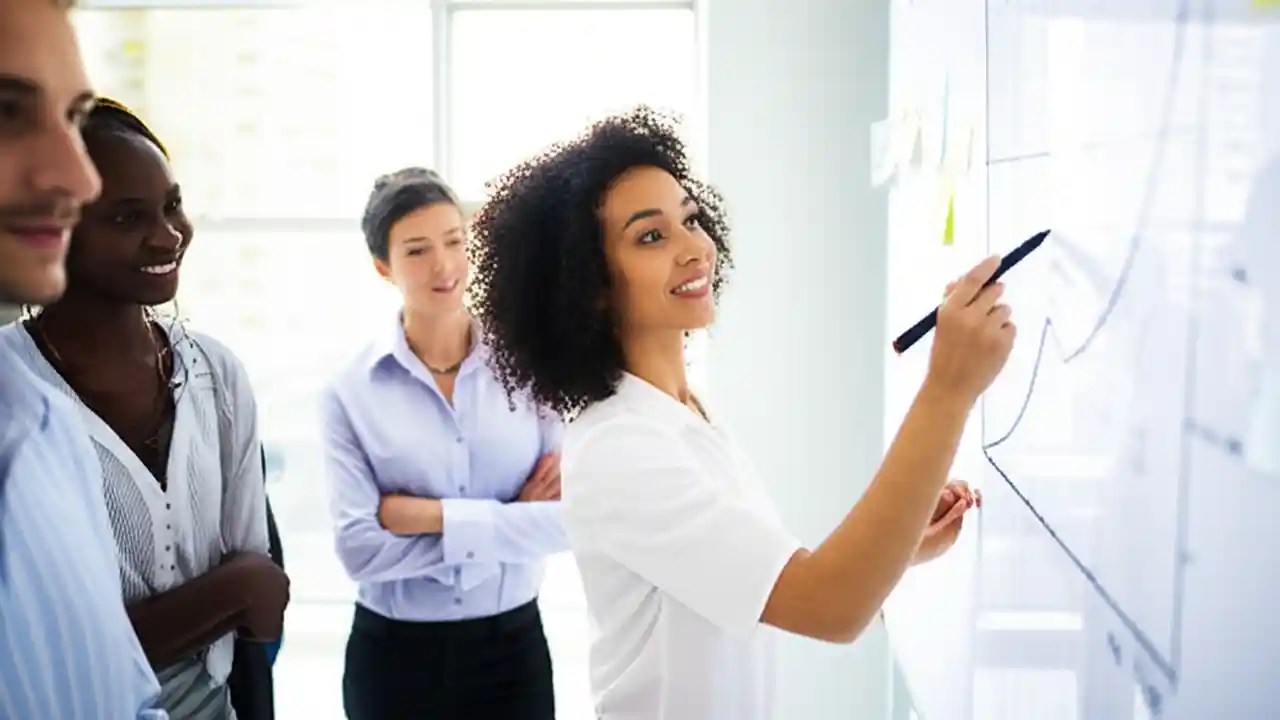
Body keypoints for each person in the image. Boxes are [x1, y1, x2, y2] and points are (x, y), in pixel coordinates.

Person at [470, 106, 1012, 720]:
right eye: (652, 236)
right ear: (588, 286)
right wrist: (948, 389)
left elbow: (773, 581)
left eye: (690, 220)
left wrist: (902, 543)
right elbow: (831, 605)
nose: (693, 248)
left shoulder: (684, 412)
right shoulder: (621, 447)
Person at [0, 98, 289, 720]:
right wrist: (231, 588)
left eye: (173, 205)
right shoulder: (10, 392)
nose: (168, 235)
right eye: (128, 217)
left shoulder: (216, 372)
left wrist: (239, 590)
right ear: (56, 228)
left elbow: (263, 599)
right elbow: (38, 652)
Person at [321, 167, 568, 720]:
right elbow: (359, 550)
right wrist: (509, 522)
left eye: (454, 240)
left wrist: (421, 516)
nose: (444, 265)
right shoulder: (349, 392)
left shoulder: (530, 370)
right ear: (383, 266)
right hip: (395, 660)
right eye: (416, 250)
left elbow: (566, 520)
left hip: (514, 653)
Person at [0, 0, 166, 717]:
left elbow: (126, 700)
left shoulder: (42, 426)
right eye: (6, 111)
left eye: (72, 116)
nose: (79, 175)